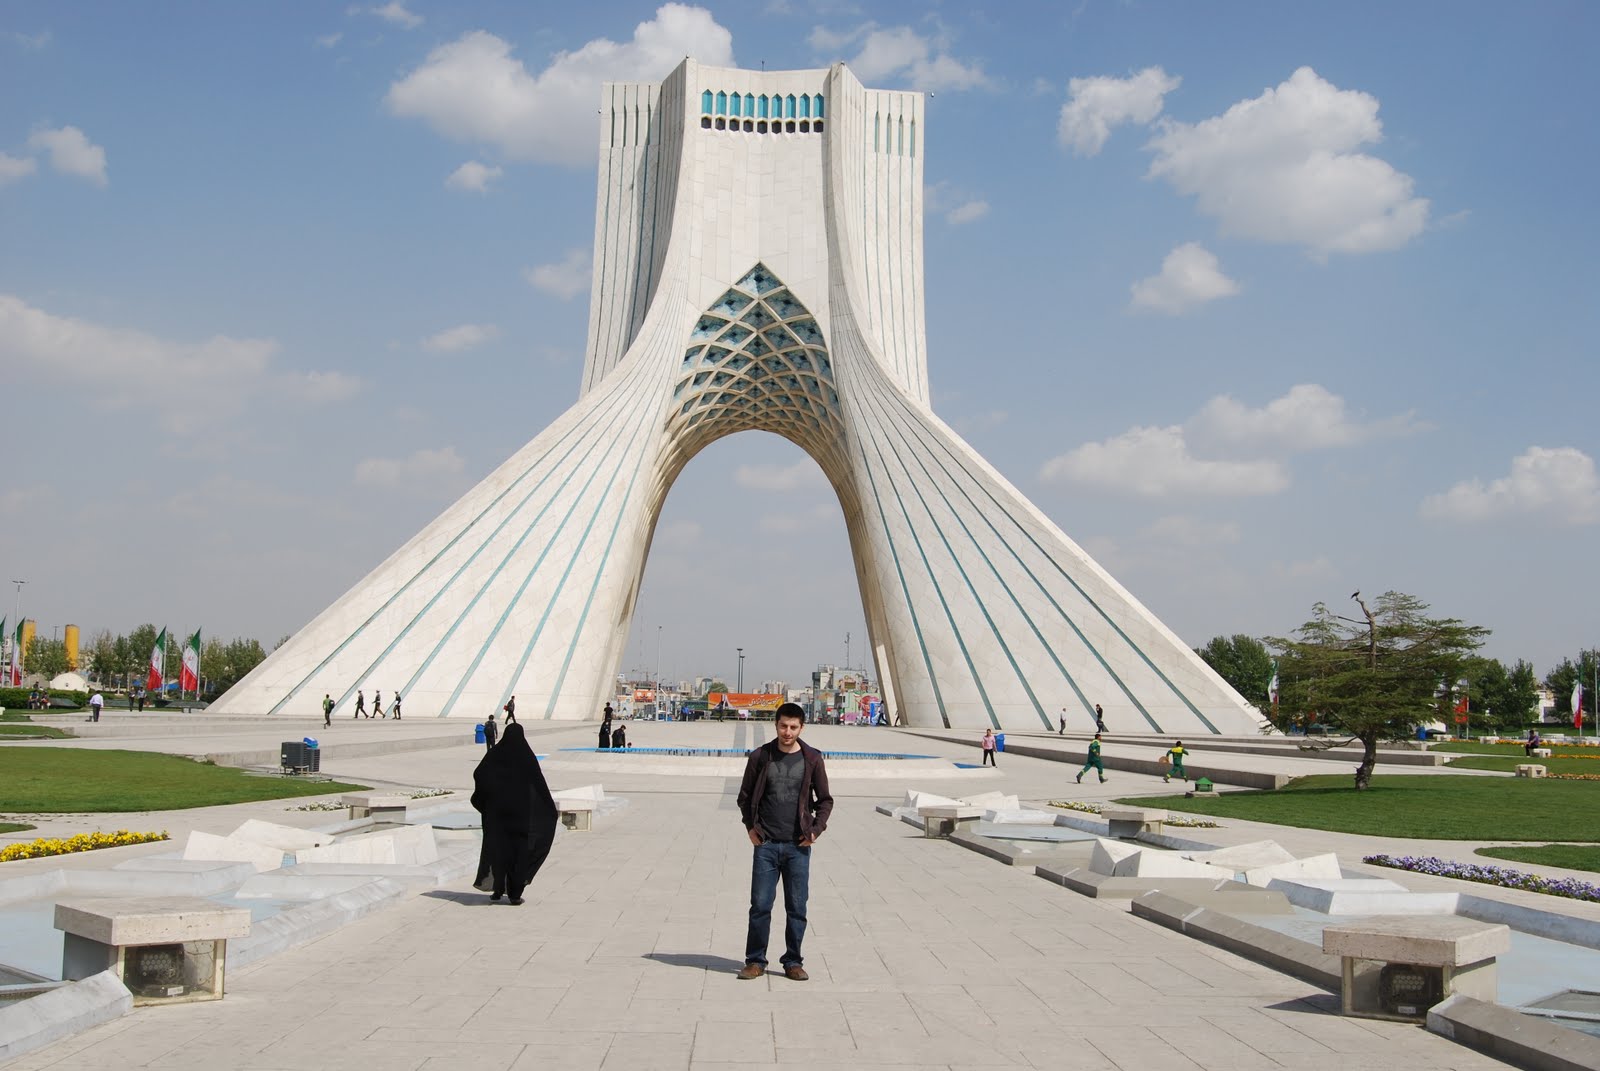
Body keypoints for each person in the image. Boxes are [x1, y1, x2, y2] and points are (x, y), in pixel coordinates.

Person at [736, 702, 833, 981]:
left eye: (793, 727)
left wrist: (815, 829)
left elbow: (825, 800)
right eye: (783, 726)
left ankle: (793, 961)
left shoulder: (812, 758)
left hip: (797, 846)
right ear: (776, 725)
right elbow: (744, 797)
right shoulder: (761, 756)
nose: (787, 732)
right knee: (760, 905)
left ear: (801, 728)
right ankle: (755, 960)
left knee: (797, 907)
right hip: (766, 844)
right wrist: (750, 828)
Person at [470, 723, 558, 905]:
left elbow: (479, 774)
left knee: (497, 851)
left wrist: (485, 801)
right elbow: (540, 786)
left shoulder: (495, 755)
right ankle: (515, 893)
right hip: (520, 818)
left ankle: (497, 890)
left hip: (497, 817)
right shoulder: (526, 757)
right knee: (518, 854)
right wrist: (548, 809)